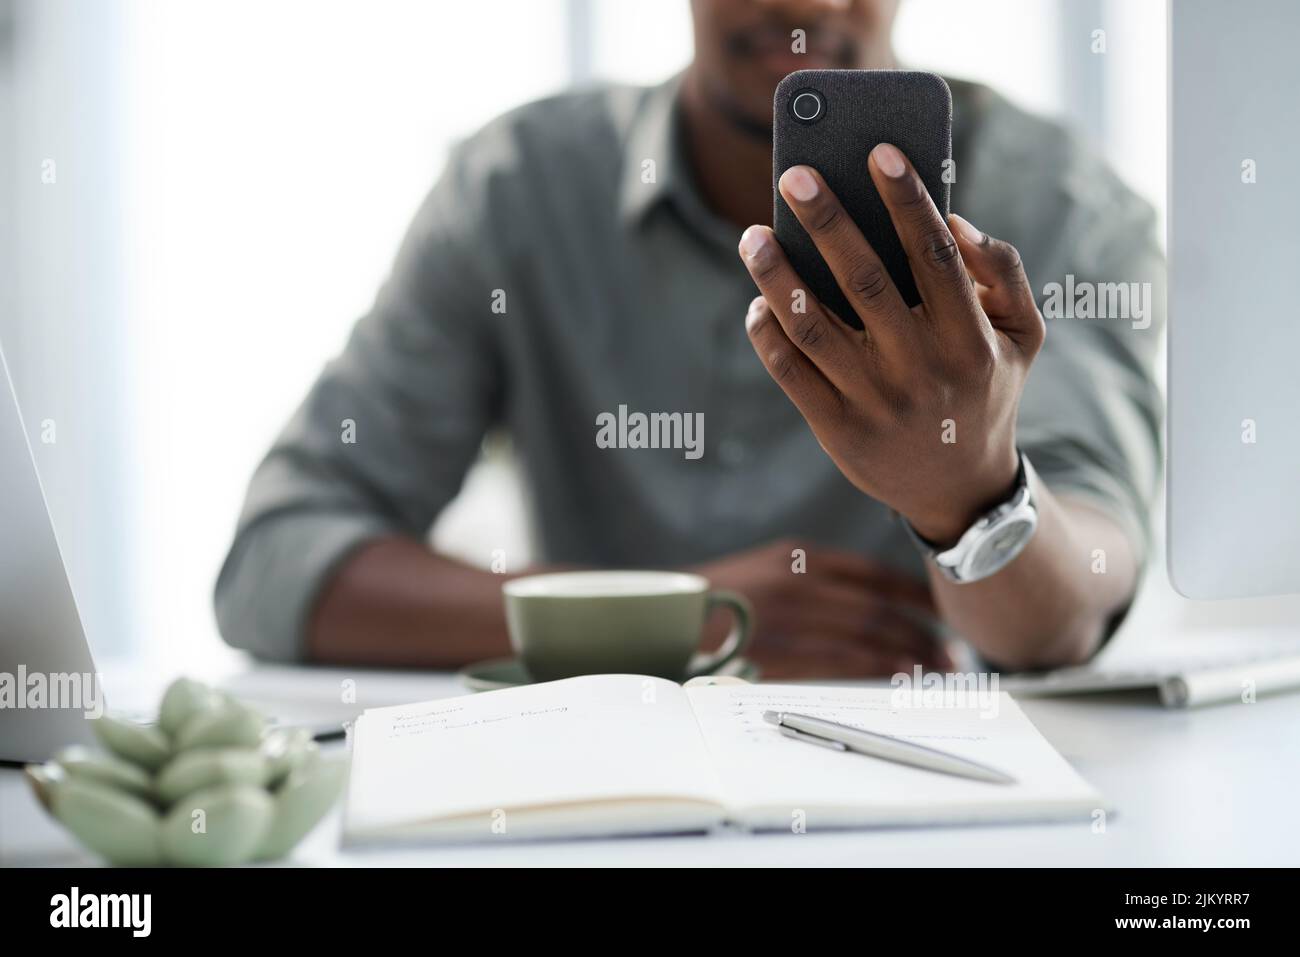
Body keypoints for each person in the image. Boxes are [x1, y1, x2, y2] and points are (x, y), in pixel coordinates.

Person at [215, 0, 1163, 678]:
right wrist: (670, 613)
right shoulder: (518, 190)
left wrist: (967, 494)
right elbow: (277, 561)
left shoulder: (1063, 207)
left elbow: (1076, 603)